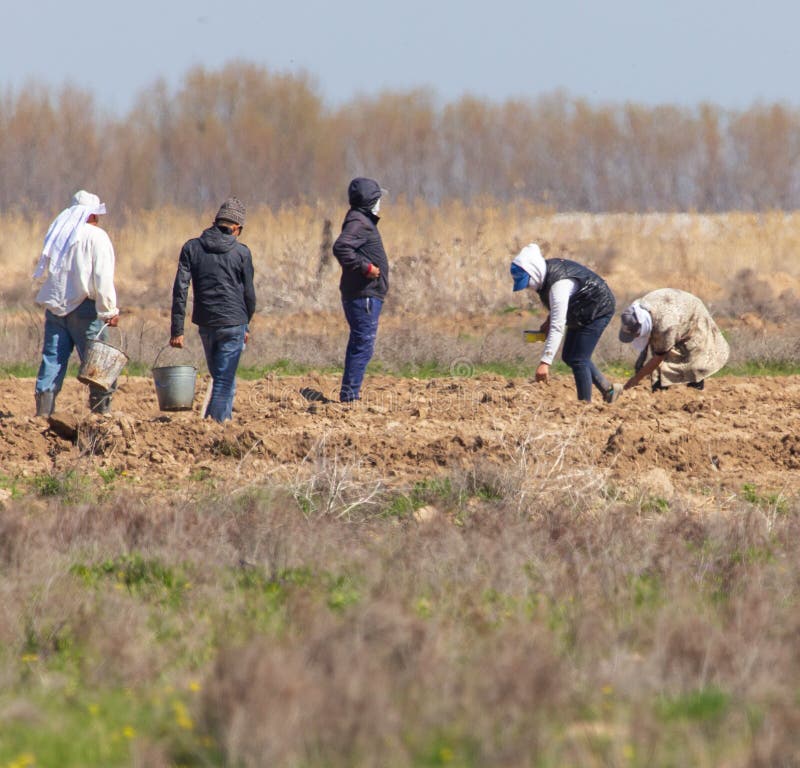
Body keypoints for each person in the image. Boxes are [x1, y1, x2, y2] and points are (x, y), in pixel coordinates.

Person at [33, 190, 120, 416]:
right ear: (91, 215)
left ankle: (43, 414)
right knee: (98, 364)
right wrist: (109, 310)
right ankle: (101, 416)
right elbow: (102, 276)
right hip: (85, 309)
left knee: (52, 361)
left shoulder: (59, 232)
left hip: (56, 309)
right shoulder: (96, 236)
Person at [170, 197, 256, 422]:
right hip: (234, 323)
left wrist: (177, 330)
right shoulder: (242, 253)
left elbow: (180, 290)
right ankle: (214, 427)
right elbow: (249, 294)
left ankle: (222, 422)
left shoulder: (191, 248)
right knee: (223, 380)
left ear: (216, 222)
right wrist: (246, 323)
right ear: (236, 228)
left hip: (206, 324)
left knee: (221, 376)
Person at [510, 243, 621, 403]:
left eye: (527, 282)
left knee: (579, 359)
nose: (528, 287)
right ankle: (608, 390)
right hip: (580, 310)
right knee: (570, 356)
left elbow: (558, 326)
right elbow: (559, 308)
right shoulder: (546, 277)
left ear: (533, 272)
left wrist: (545, 362)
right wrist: (548, 321)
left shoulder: (558, 285)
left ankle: (584, 406)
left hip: (597, 308)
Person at [332, 177, 389, 403]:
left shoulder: (360, 220)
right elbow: (341, 247)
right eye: (377, 200)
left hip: (364, 295)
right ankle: (350, 398)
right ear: (369, 202)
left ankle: (349, 394)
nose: (380, 204)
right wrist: (366, 268)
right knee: (363, 345)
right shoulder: (359, 222)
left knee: (359, 344)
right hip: (363, 296)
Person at [618, 288, 730, 392]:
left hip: (693, 314)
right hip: (673, 309)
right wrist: (639, 365)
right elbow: (647, 340)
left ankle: (695, 391)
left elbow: (658, 358)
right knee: (659, 353)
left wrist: (636, 379)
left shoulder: (666, 326)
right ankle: (659, 390)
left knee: (694, 358)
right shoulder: (636, 310)